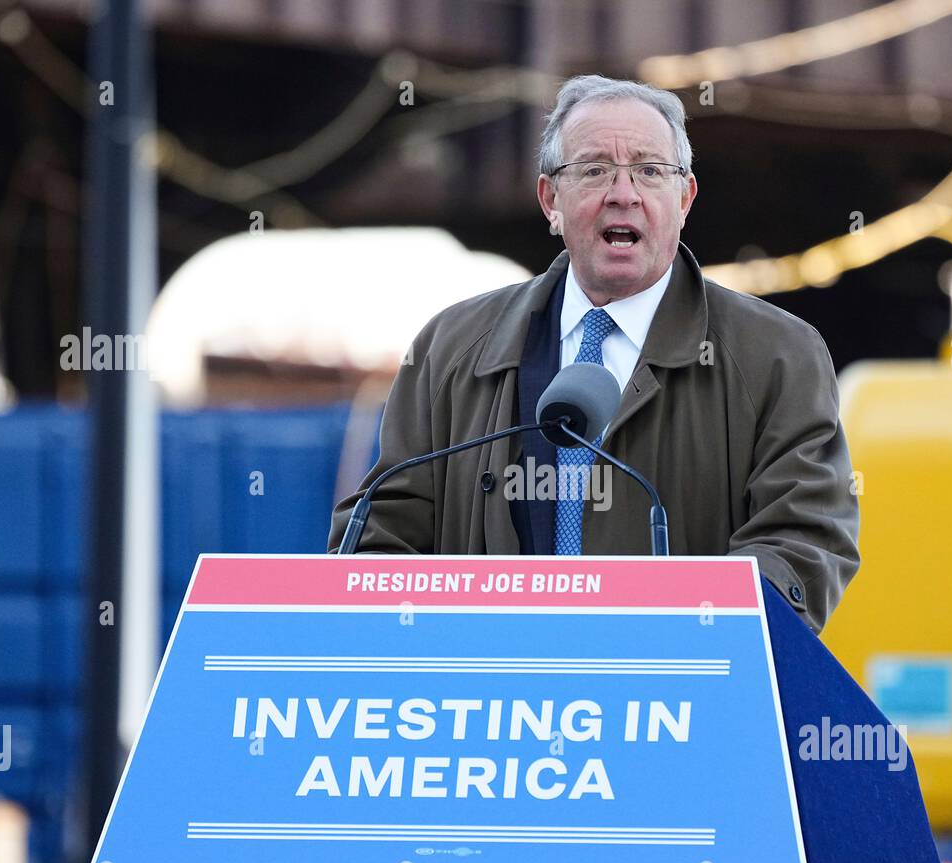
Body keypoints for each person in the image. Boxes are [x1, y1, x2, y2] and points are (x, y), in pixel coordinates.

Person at [328, 74, 860, 634]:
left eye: (650, 171)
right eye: (594, 170)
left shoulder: (777, 354)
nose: (623, 193)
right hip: (491, 698)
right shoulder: (451, 348)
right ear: (550, 201)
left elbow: (804, 539)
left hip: (677, 701)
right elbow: (383, 532)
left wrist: (690, 640)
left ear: (684, 199)